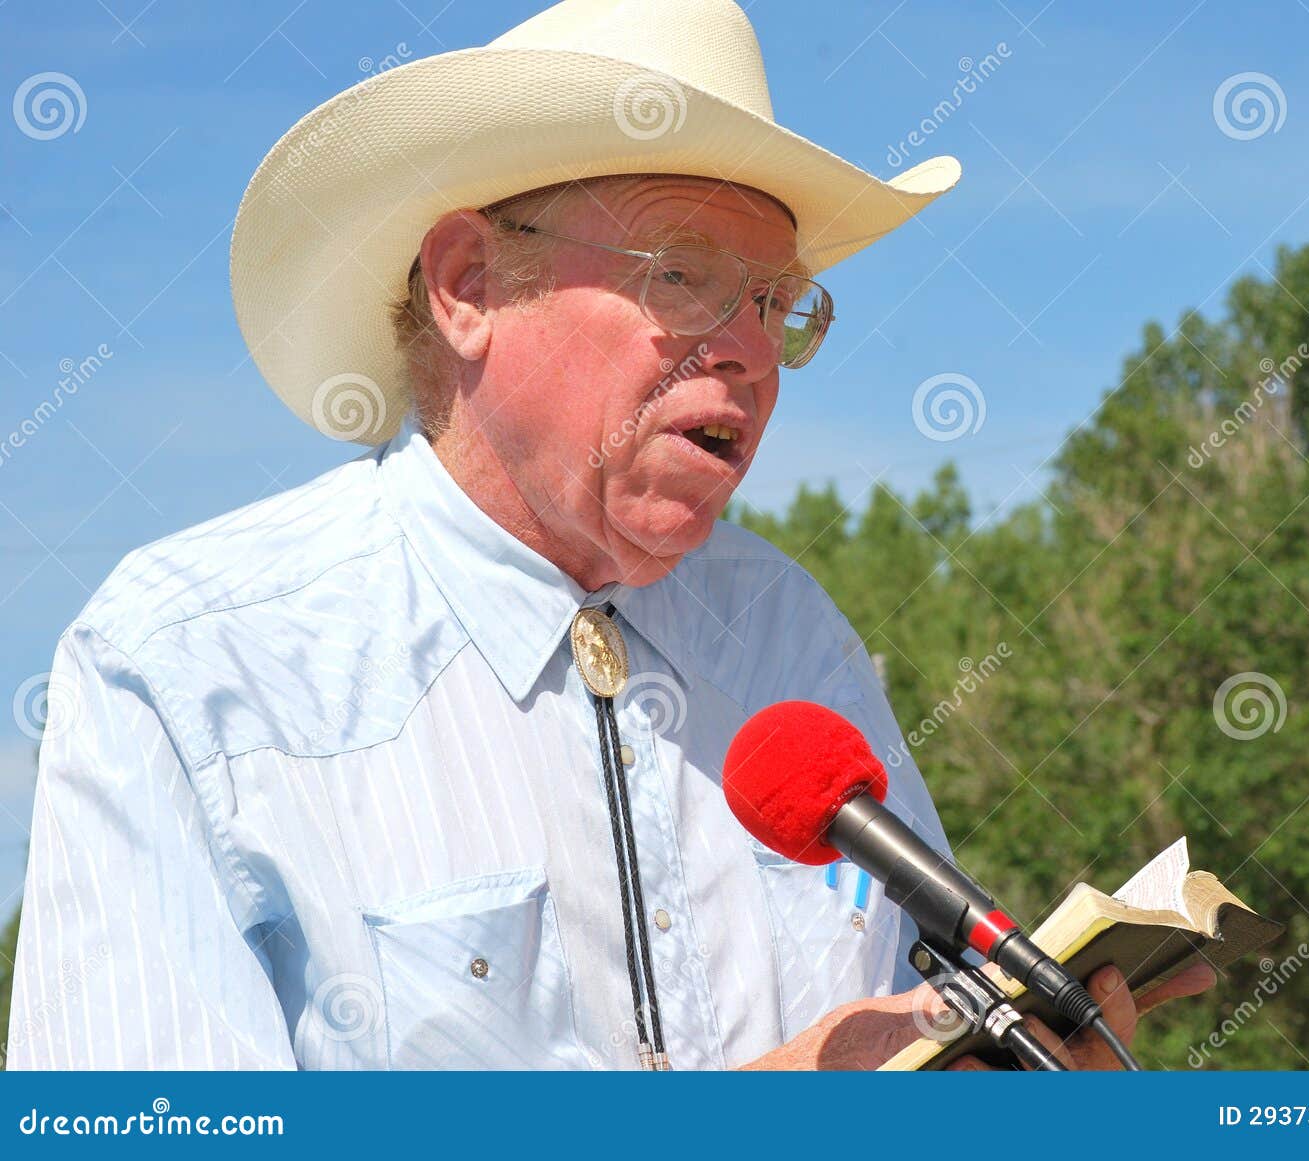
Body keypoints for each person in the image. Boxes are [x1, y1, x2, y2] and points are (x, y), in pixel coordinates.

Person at [7, 0, 1210, 1070]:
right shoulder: (188, 662)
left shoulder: (794, 634)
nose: (750, 350)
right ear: (468, 285)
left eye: (776, 304)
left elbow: (914, 1025)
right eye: (683, 275)